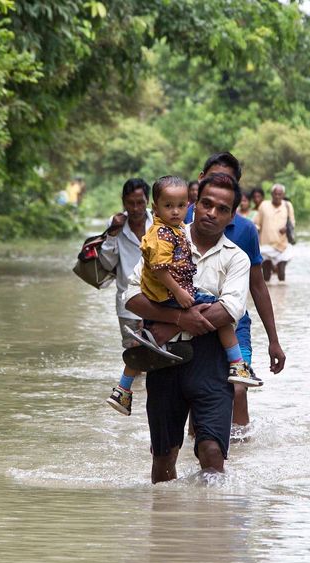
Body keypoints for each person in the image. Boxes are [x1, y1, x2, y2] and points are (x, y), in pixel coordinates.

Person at [122, 173, 251, 482]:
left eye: (222, 209)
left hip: (212, 361)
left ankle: (211, 524)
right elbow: (132, 298)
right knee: (163, 459)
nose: (212, 213)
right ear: (195, 204)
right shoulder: (160, 240)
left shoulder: (237, 258)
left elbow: (229, 310)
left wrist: (175, 321)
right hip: (163, 360)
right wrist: (178, 319)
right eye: (206, 204)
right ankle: (168, 526)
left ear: (231, 216)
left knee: (212, 453)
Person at [108, 176, 261, 415]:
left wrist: (173, 325)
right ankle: (238, 364)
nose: (176, 211)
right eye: (169, 206)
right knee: (216, 307)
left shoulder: (177, 233)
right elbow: (154, 274)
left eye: (180, 206)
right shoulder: (164, 235)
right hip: (168, 294)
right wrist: (179, 303)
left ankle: (123, 389)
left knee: (147, 341)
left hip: (168, 307)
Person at [177, 153, 286, 429]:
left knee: (238, 388)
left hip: (232, 323)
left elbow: (257, 285)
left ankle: (239, 450)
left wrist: (274, 339)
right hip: (186, 321)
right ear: (201, 182)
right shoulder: (178, 222)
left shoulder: (246, 230)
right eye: (214, 179)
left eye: (229, 183)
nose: (214, 211)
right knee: (194, 399)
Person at [98, 178, 153, 385]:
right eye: (131, 203)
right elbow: (106, 262)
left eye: (140, 202)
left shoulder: (158, 221)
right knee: (134, 356)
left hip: (157, 298)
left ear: (148, 200)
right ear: (124, 201)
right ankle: (134, 397)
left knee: (157, 353)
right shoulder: (116, 223)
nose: (136, 208)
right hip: (127, 300)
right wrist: (112, 234)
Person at [253, 183, 296, 282]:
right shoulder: (264, 205)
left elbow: (292, 223)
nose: (277, 196)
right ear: (272, 194)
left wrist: (286, 228)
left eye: (280, 194)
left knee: (281, 273)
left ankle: (282, 294)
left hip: (282, 245)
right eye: (275, 194)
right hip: (265, 245)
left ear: (283, 195)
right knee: (266, 275)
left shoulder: (287, 205)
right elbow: (257, 223)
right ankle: (268, 294)